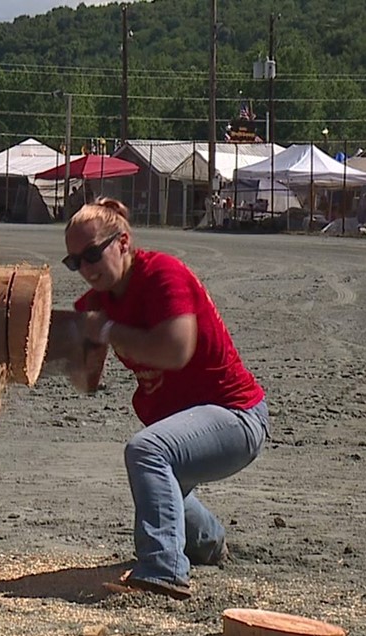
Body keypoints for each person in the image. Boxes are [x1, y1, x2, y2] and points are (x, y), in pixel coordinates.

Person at [63, 198, 269, 599]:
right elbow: (85, 378)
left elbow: (175, 351)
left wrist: (104, 330)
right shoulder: (97, 303)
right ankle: (208, 543)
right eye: (74, 262)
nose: (85, 269)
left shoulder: (162, 274)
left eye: (91, 255)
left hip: (237, 416)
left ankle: (163, 572)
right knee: (160, 478)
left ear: (123, 242)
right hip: (195, 424)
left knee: (148, 452)